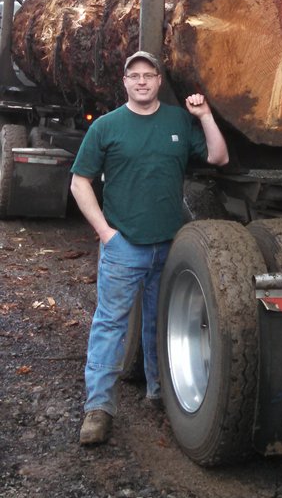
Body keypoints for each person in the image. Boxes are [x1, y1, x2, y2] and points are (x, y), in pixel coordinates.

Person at [70, 50, 229, 446]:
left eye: (149, 75)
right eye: (134, 75)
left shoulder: (177, 120)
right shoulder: (107, 127)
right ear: (124, 82)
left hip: (170, 245)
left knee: (163, 324)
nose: (141, 81)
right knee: (111, 325)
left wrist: (205, 115)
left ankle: (159, 393)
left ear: (159, 80)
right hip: (125, 246)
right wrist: (107, 234)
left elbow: (217, 156)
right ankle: (99, 408)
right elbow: (79, 182)